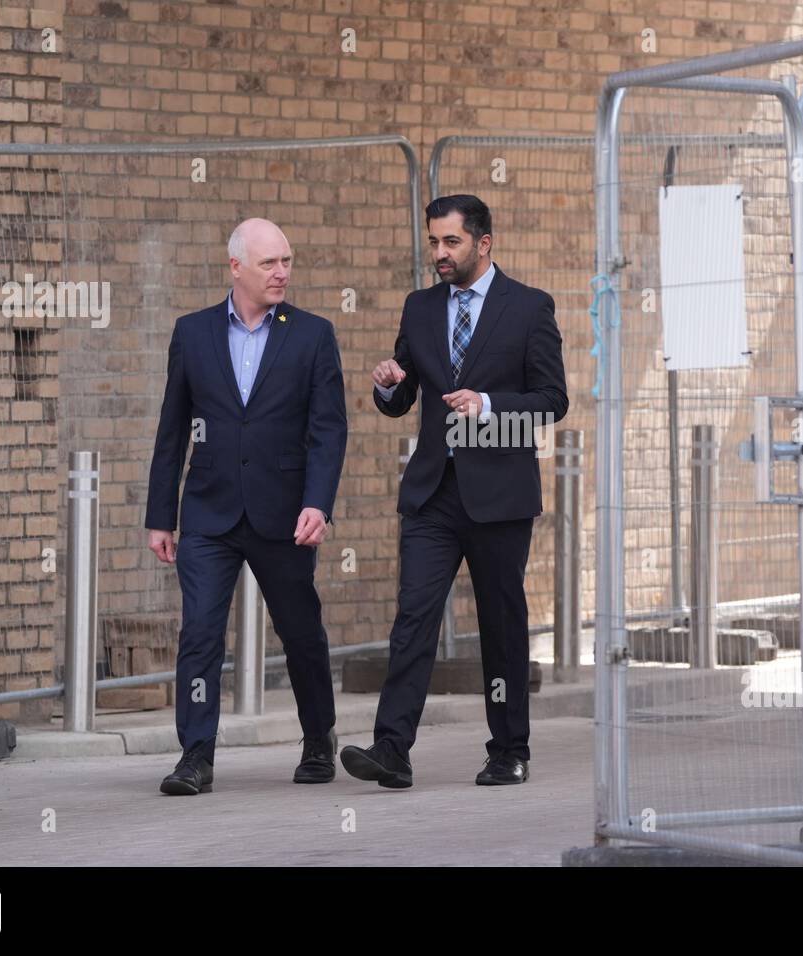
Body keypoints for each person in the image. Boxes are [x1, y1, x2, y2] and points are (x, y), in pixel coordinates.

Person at [340, 195, 568, 789]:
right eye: (434, 242)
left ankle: (508, 750)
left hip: (499, 495)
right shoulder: (419, 308)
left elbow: (552, 399)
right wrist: (390, 384)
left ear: (483, 243)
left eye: (451, 243)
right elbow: (403, 395)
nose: (439, 254)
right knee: (413, 618)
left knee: (500, 622)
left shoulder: (528, 308)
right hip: (432, 494)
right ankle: (392, 750)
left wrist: (489, 405)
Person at [144, 218, 347, 795]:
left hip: (284, 514)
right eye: (269, 263)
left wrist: (318, 504)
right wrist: (163, 515)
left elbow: (328, 430)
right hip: (208, 513)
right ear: (236, 267)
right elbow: (172, 429)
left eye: (287, 260)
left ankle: (317, 738)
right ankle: (196, 756)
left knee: (300, 629)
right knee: (201, 632)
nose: (282, 272)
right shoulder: (193, 333)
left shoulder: (312, 335)